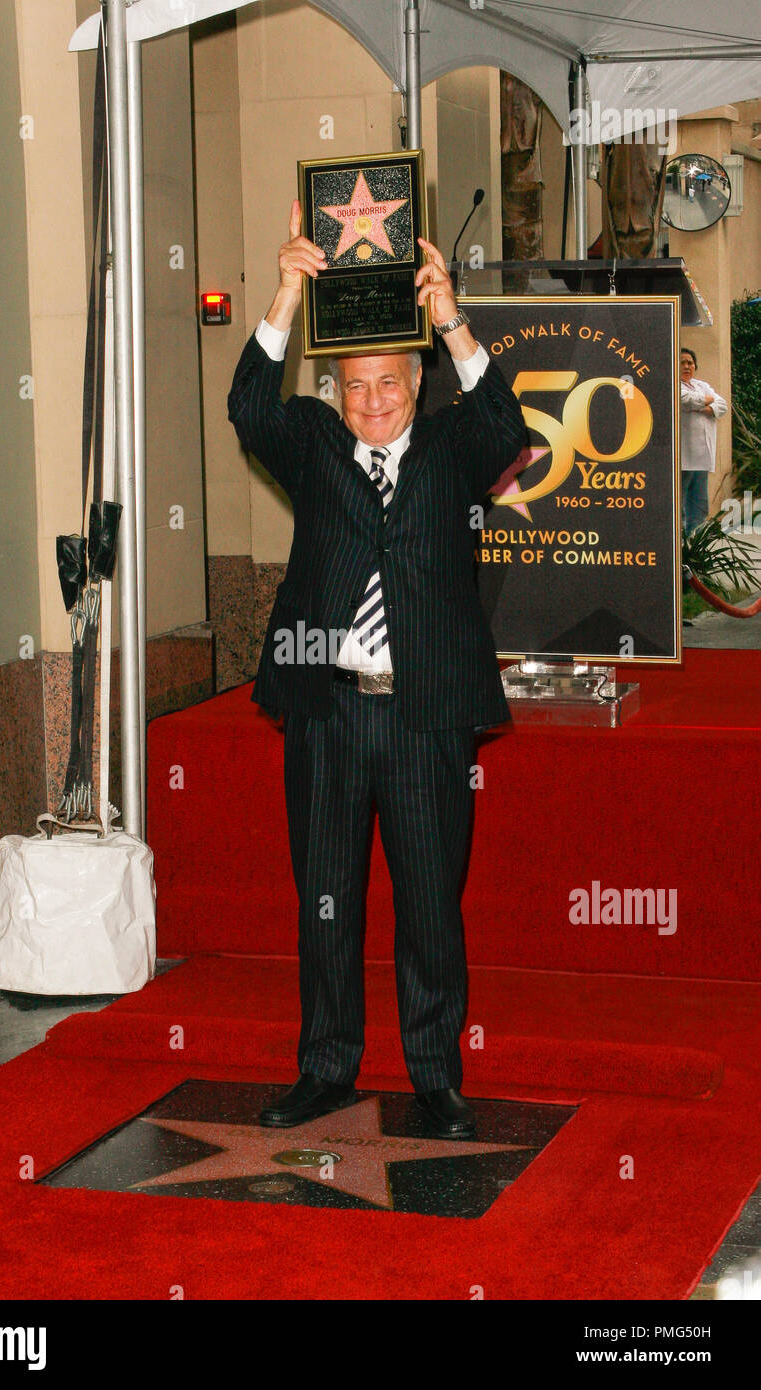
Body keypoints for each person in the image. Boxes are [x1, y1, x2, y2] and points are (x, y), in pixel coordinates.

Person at [227, 200, 526, 1139]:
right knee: (326, 897)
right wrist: (284, 291)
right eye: (355, 385)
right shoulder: (314, 445)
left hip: (425, 714)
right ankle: (325, 1068)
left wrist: (450, 316)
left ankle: (436, 1077)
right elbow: (246, 407)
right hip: (329, 712)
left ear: (413, 380)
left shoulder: (449, 451)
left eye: (387, 384)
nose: (370, 402)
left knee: (431, 903)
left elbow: (507, 423)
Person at [680, 346, 727, 534]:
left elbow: (722, 405)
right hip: (684, 456)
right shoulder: (674, 385)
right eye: (682, 362)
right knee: (681, 502)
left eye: (690, 363)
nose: (686, 366)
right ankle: (681, 544)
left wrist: (701, 406)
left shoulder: (703, 385)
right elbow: (684, 400)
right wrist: (707, 402)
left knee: (699, 503)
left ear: (695, 366)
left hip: (703, 457)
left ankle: (696, 542)